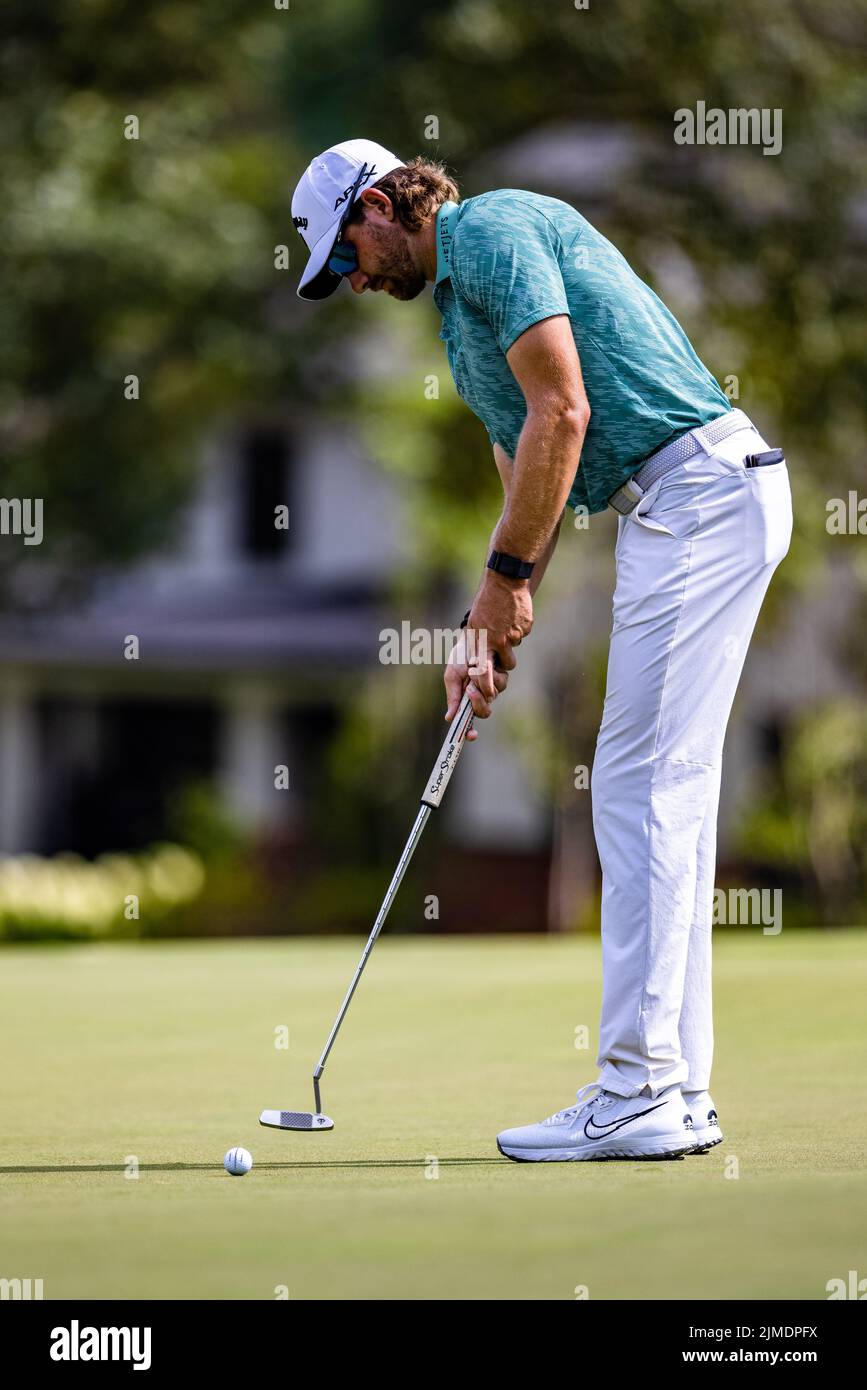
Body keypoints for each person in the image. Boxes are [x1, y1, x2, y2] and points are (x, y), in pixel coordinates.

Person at [291, 138, 793, 1162]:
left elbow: (567, 409)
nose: (349, 281)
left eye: (346, 254)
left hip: (700, 492)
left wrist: (506, 583)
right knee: (668, 794)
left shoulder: (497, 231)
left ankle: (636, 1086)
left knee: (638, 785)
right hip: (680, 507)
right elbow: (530, 464)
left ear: (384, 202)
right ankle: (678, 1088)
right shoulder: (458, 323)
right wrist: (492, 622)